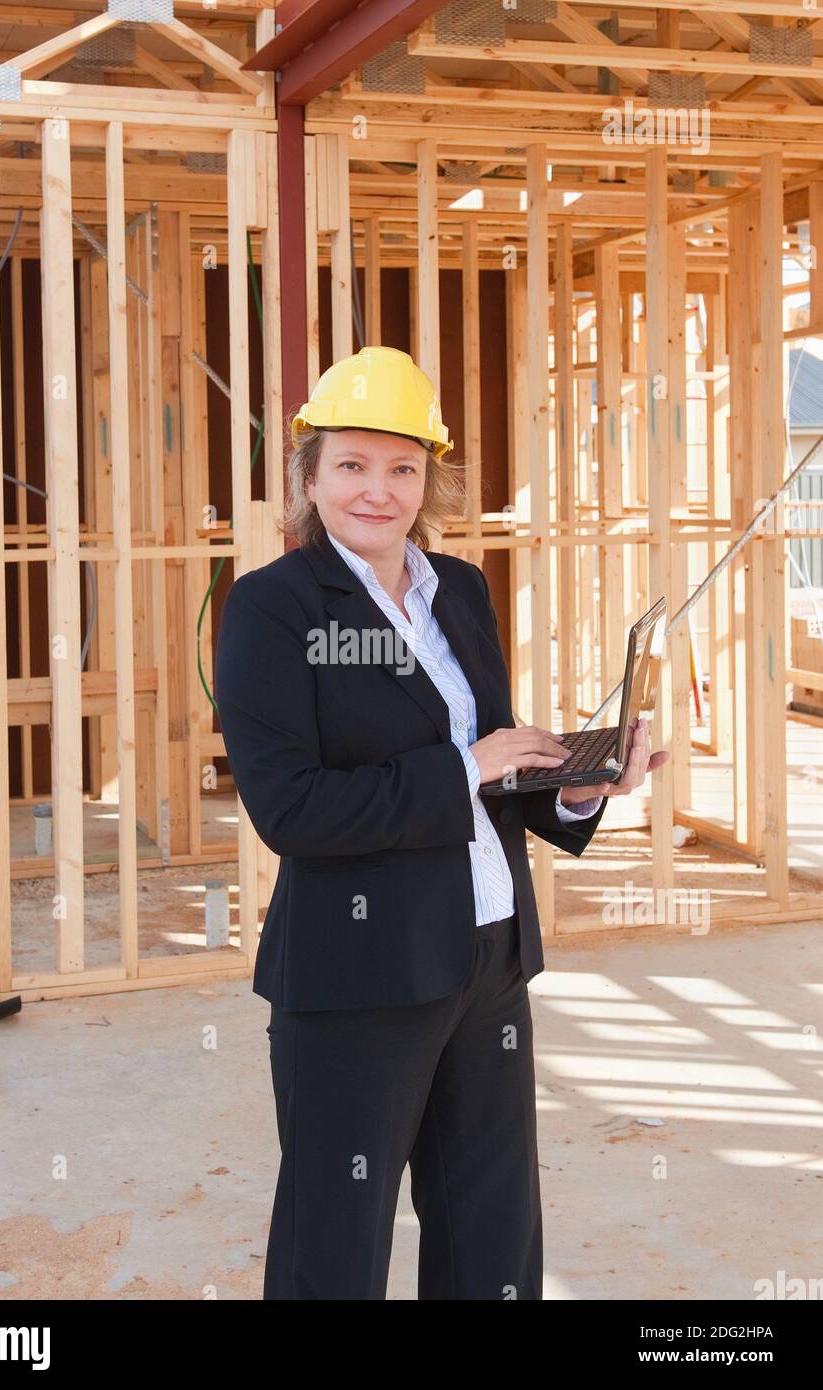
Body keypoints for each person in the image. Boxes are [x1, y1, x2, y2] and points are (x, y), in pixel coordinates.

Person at [215, 345, 667, 1300]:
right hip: (358, 975)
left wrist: (582, 783)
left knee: (490, 1225)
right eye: (351, 465)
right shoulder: (271, 609)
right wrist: (471, 763)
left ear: (430, 478)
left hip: (489, 955)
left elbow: (489, 766)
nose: (377, 491)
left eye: (402, 467)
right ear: (308, 476)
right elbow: (292, 810)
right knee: (336, 1242)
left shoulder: (457, 589)